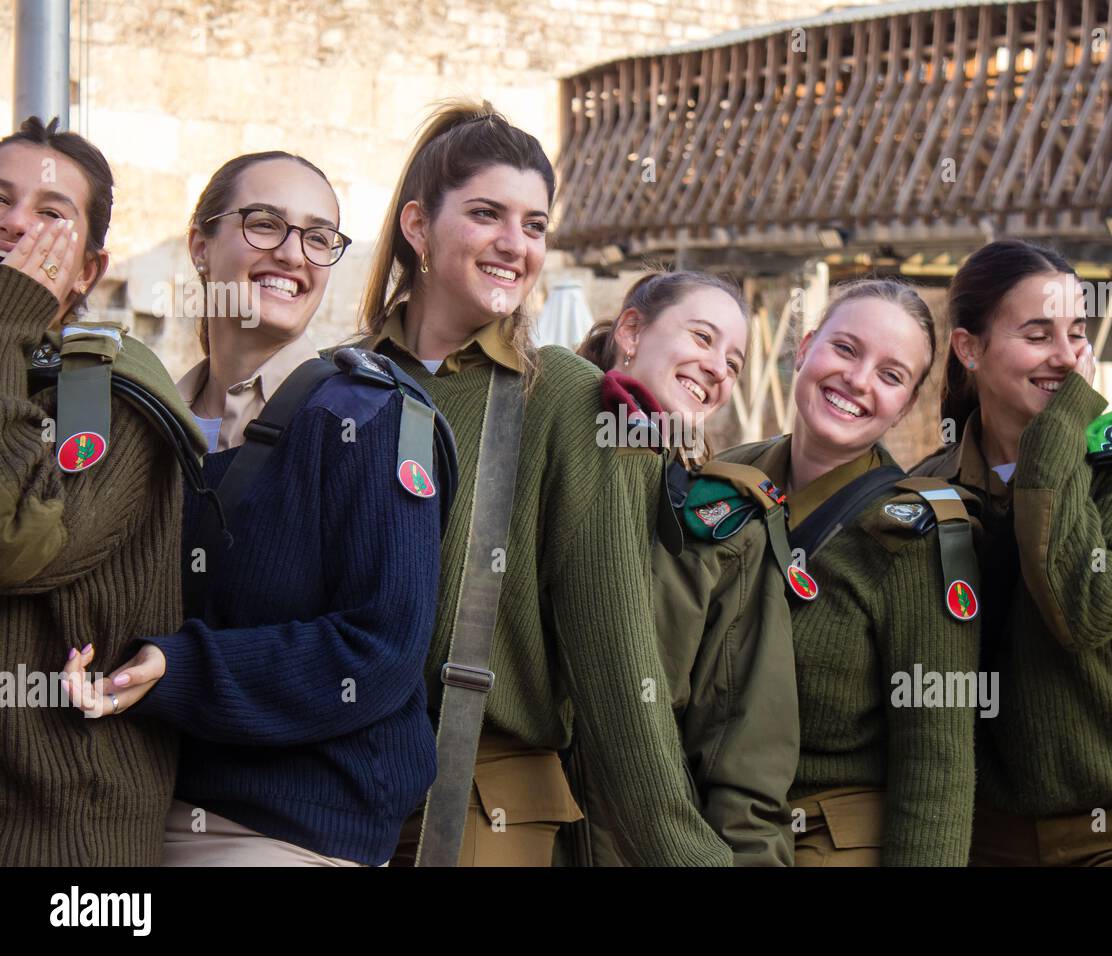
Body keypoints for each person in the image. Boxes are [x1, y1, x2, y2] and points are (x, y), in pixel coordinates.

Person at [355, 100, 731, 866]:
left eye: (534, 225)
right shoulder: (346, 384)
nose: (514, 244)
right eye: (487, 214)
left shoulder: (564, 396)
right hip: (335, 802)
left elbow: (620, 675)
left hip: (480, 811)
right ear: (418, 226)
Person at [65, 151, 449, 867]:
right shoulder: (143, 424)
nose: (293, 254)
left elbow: (380, 648)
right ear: (200, 244)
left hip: (286, 829)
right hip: (128, 803)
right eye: (265, 223)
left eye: (318, 237)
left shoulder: (372, 418)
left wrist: (179, 670)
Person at [916, 239, 1112, 866]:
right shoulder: (927, 490)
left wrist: (1058, 430)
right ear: (968, 348)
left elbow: (1084, 608)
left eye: (1077, 334)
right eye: (1038, 335)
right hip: (994, 836)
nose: (1065, 356)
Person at [0, 116, 206, 865]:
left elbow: (16, 543)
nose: (15, 223)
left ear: (88, 271)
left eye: (50, 213)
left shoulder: (108, 396)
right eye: (0, 200)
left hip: (62, 838)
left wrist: (8, 321)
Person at [720, 278, 981, 866]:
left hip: (822, 842)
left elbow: (936, 765)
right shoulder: (724, 479)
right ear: (805, 347)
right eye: (844, 348)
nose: (858, 380)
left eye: (891, 375)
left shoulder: (913, 536)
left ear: (905, 405)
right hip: (702, 835)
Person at [571, 270, 800, 866]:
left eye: (734, 363)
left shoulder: (726, 529)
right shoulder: (526, 444)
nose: (718, 368)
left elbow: (743, 750)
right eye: (702, 337)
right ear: (631, 331)